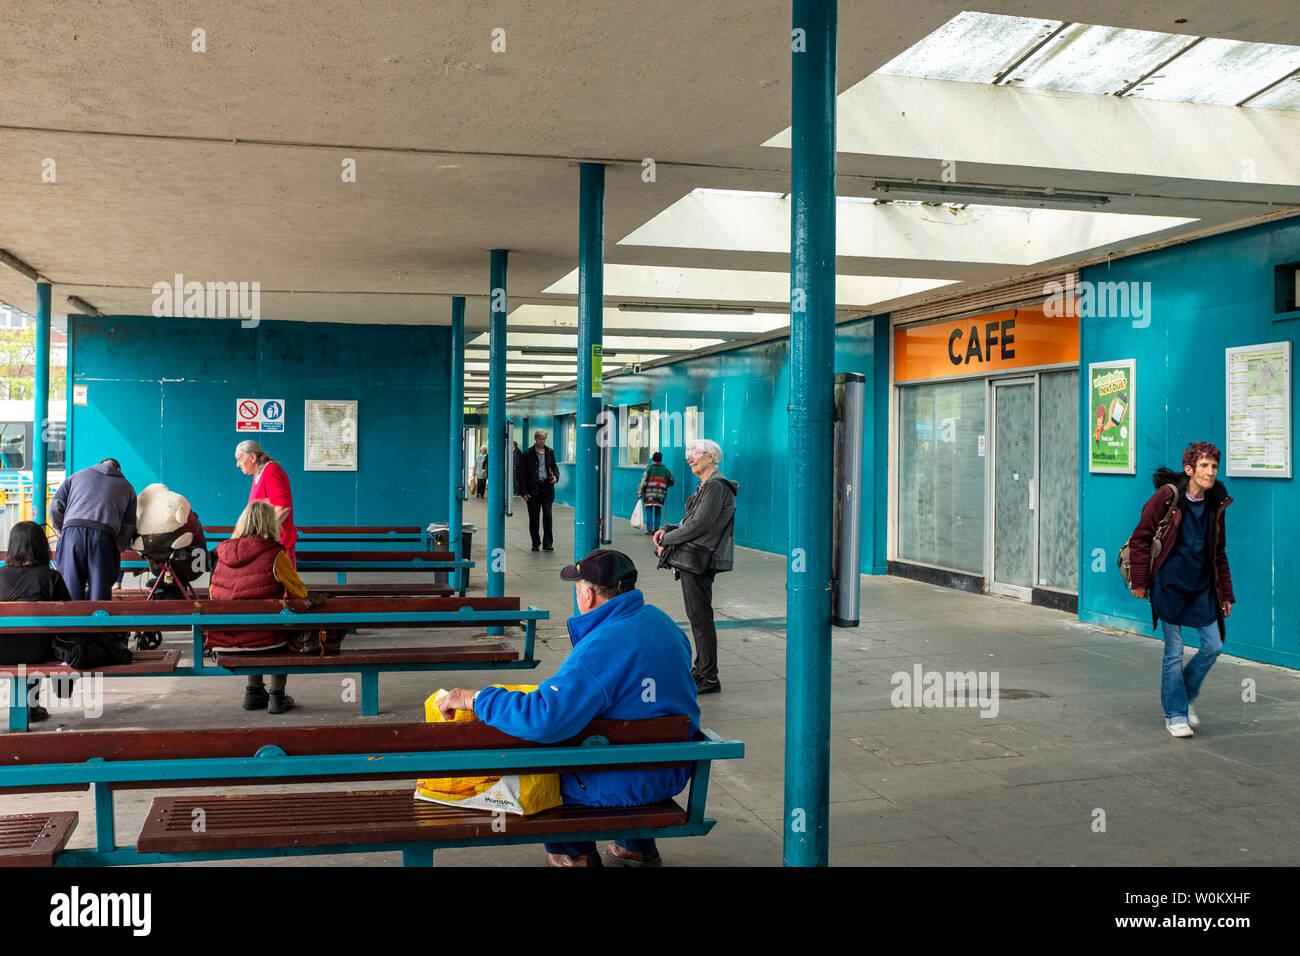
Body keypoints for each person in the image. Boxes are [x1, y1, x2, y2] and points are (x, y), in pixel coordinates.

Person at [438, 548, 699, 867]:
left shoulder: (603, 645)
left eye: (577, 588)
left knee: (542, 774)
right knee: (627, 730)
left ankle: (573, 856)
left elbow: (544, 718)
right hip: (671, 770)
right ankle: (636, 849)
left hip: (627, 780)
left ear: (588, 593)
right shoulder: (664, 623)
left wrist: (476, 699)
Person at [1127, 441, 1234, 739]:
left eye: (1214, 467)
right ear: (1189, 469)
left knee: (1213, 645)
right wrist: (1139, 581)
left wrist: (1225, 594)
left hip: (1202, 587)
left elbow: (1219, 552)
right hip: (1170, 584)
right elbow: (1141, 539)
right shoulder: (1168, 496)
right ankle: (1175, 713)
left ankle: (1182, 695)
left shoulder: (1216, 502)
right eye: (1204, 466)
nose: (1210, 472)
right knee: (1173, 650)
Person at [205, 500, 311, 714]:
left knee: (250, 625)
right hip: (268, 640)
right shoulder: (275, 554)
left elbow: (212, 594)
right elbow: (300, 594)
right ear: (270, 525)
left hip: (224, 638)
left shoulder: (220, 553)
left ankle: (253, 691)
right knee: (283, 626)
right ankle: (276, 696)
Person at [654, 439, 737, 695]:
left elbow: (699, 525)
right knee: (697, 617)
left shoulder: (716, 487)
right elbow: (689, 522)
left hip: (699, 560)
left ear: (711, 457)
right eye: (688, 454)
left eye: (695, 454)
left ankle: (708, 677)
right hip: (694, 560)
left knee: (701, 619)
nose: (689, 458)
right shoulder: (705, 487)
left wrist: (666, 539)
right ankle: (701, 670)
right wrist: (668, 529)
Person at [0, 521, 74, 722]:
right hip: (37, 652)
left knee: (27, 639)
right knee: (42, 639)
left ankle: (30, 705)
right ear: (41, 546)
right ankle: (33, 706)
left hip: (1, 651)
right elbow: (69, 619)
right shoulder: (51, 577)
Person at [49, 457, 137, 601]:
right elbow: (129, 526)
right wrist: (118, 546)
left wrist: (62, 529)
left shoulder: (76, 477)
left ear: (98, 464)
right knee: (99, 592)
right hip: (104, 537)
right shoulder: (127, 487)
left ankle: (73, 622)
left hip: (72, 534)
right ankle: (97, 622)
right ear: (118, 470)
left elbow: (54, 507)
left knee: (70, 590)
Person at [235, 441, 297, 564]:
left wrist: (263, 537)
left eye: (239, 459)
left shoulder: (271, 471)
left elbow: (283, 508)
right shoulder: (258, 474)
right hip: (266, 546)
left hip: (277, 546)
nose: (238, 464)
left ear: (252, 457)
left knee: (282, 583)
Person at [519, 429, 560, 552]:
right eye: (540, 439)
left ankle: (548, 544)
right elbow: (521, 474)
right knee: (534, 518)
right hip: (532, 490)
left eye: (544, 439)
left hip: (547, 489)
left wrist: (556, 477)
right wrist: (524, 492)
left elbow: (554, 467)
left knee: (548, 516)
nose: (542, 441)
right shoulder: (527, 454)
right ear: (535, 439)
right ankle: (535, 543)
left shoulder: (549, 452)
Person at [638, 452, 675, 536]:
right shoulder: (665, 470)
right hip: (660, 495)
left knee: (649, 510)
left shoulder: (649, 468)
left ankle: (650, 529)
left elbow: (643, 481)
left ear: (653, 459)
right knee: (657, 511)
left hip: (649, 494)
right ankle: (656, 529)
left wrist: (639, 493)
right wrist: (665, 486)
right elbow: (672, 481)